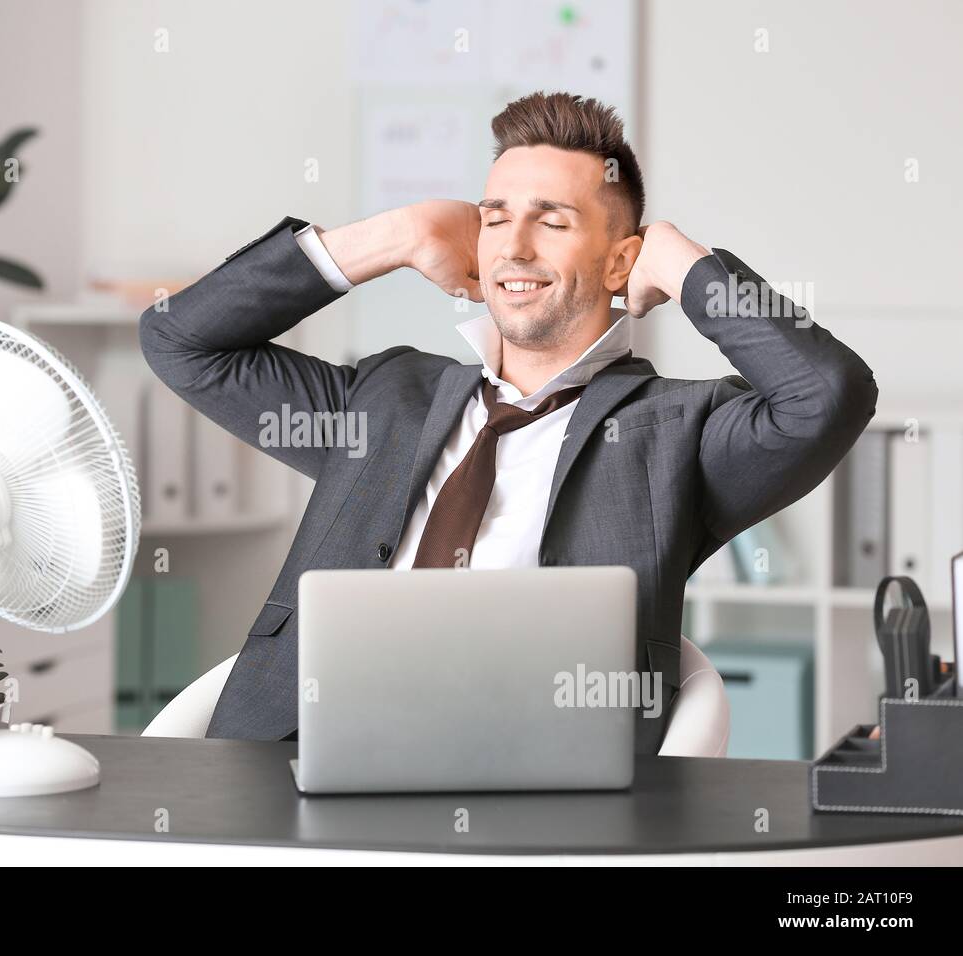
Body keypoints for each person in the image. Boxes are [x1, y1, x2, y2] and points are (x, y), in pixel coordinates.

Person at [139, 91, 877, 754]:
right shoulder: (387, 397)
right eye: (495, 218)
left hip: (536, 785)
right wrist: (395, 234)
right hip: (293, 761)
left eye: (552, 221)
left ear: (621, 261)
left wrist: (686, 267)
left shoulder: (678, 431)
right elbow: (180, 339)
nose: (515, 246)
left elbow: (827, 396)